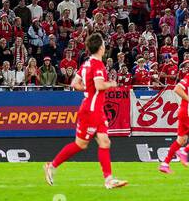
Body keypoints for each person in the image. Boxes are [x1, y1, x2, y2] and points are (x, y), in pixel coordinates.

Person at [45, 32, 128, 190]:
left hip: (94, 107)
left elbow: (74, 84)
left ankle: (109, 179)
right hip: (91, 110)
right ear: (101, 47)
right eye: (103, 44)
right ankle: (52, 165)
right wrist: (111, 84)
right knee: (81, 144)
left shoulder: (86, 64)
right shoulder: (97, 65)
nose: (105, 46)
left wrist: (88, 90)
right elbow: (99, 85)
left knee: (104, 141)